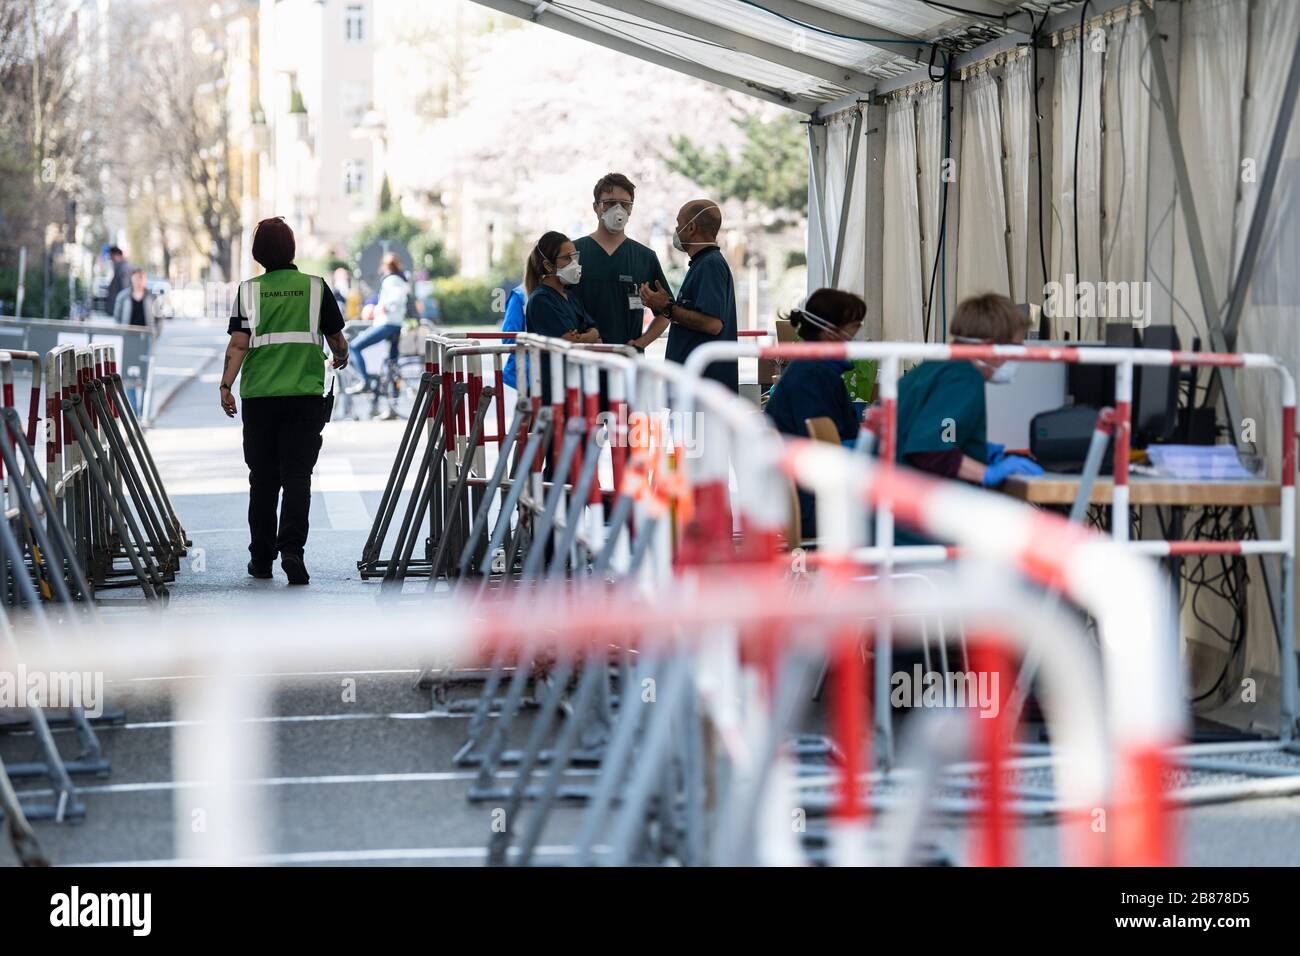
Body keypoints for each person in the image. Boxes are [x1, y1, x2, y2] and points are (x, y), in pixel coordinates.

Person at [218, 217, 350, 585]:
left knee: (262, 480)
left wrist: (225, 386)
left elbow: (239, 344)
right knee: (297, 477)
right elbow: (336, 337)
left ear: (258, 253)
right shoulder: (315, 287)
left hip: (260, 398)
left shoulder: (248, 291)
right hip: (304, 398)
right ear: (291, 249)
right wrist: (341, 354)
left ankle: (261, 559)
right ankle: (292, 551)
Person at [895, 292, 1044, 489]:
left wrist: (977, 449)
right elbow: (933, 451)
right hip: (913, 502)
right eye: (1016, 346)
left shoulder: (937, 366)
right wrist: (986, 473)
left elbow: (941, 431)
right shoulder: (963, 378)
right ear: (990, 347)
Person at [763, 289, 866, 539]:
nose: (856, 335)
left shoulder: (811, 370)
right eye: (854, 327)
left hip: (805, 498)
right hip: (816, 505)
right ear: (831, 332)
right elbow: (827, 446)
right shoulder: (814, 376)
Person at [640, 199, 738, 392]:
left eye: (678, 224)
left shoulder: (710, 265)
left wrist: (666, 308)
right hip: (695, 385)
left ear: (691, 227)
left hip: (703, 387)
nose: (676, 230)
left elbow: (712, 324)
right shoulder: (702, 264)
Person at [571, 173, 671, 352]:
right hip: (581, 361)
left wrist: (640, 343)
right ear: (596, 207)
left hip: (627, 363)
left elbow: (666, 312)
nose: (618, 209)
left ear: (631, 209)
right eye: (609, 203)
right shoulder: (573, 253)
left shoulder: (645, 257)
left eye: (625, 204)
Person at [347, 253, 409, 388]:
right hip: (395, 324)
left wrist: (382, 308)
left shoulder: (391, 279)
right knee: (392, 362)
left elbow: (395, 298)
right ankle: (393, 396)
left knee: (354, 346)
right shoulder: (400, 279)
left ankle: (365, 381)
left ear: (385, 266)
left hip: (387, 323)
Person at [113, 268, 158, 335]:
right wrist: (122, 332)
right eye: (136, 278)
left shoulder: (152, 297)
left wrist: (155, 334)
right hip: (128, 335)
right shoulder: (123, 296)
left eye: (141, 277)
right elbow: (117, 317)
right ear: (131, 278)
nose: (139, 280)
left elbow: (159, 319)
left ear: (145, 279)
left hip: (147, 336)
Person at [500, 282, 526, 390]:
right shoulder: (521, 294)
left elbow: (508, 337)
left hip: (528, 372)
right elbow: (508, 337)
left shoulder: (521, 293)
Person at [105, 246, 132, 312]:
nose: (111, 260)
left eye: (111, 257)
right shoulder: (119, 268)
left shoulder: (123, 269)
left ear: (117, 255)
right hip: (117, 308)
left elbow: (125, 289)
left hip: (119, 309)